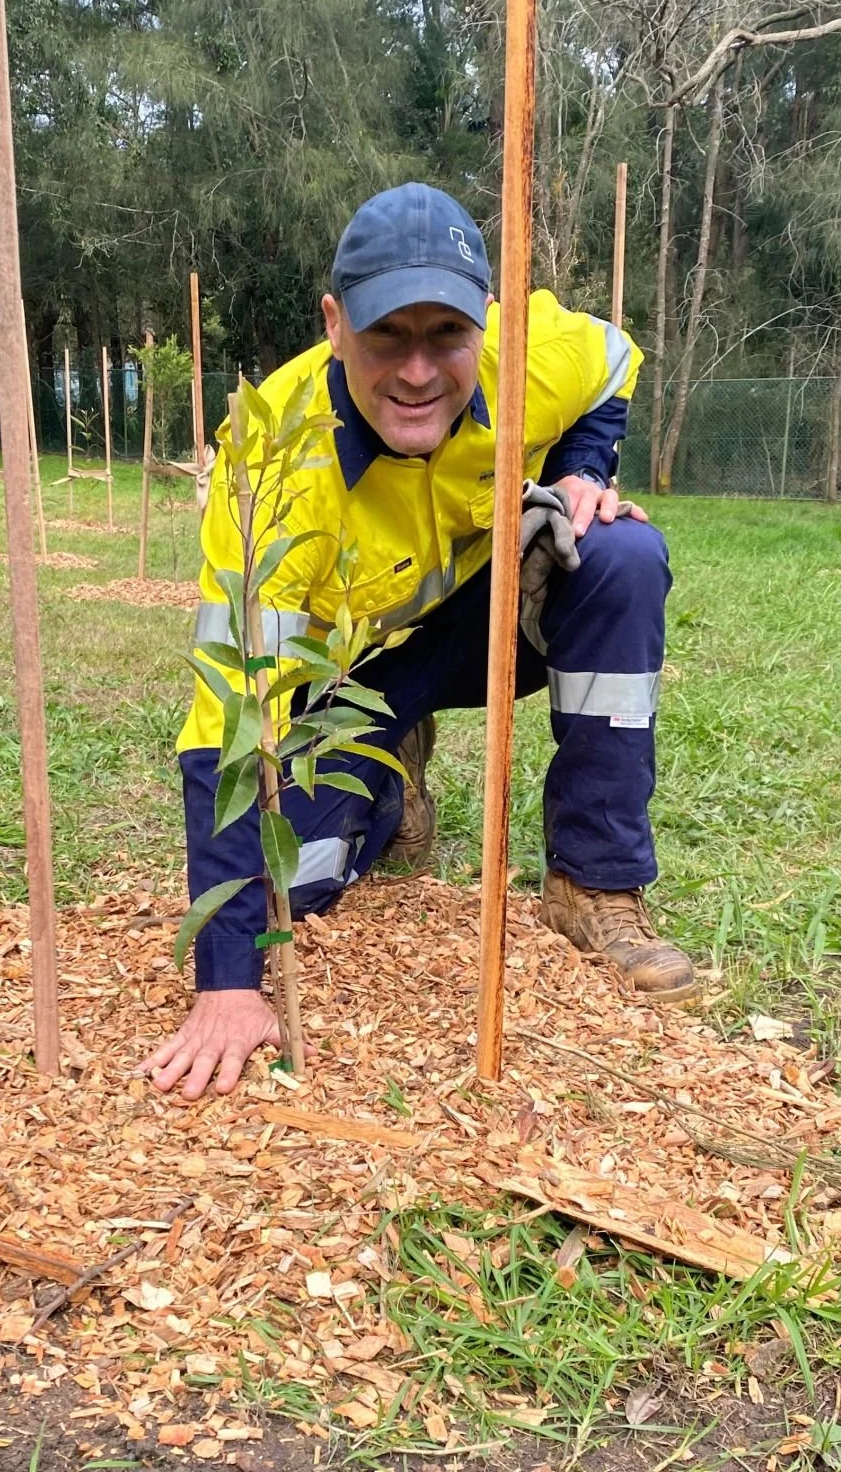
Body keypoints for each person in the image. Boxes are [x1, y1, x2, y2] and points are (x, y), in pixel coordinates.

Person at [142, 183, 694, 1101]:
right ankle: (389, 782)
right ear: (333, 323)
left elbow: (612, 358)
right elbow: (230, 723)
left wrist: (581, 470)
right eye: (386, 335)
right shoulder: (272, 469)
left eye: (447, 335)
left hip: (491, 621)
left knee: (625, 556)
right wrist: (230, 981)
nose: (417, 371)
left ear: (487, 321)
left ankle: (594, 884)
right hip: (351, 672)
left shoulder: (531, 357)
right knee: (304, 884)